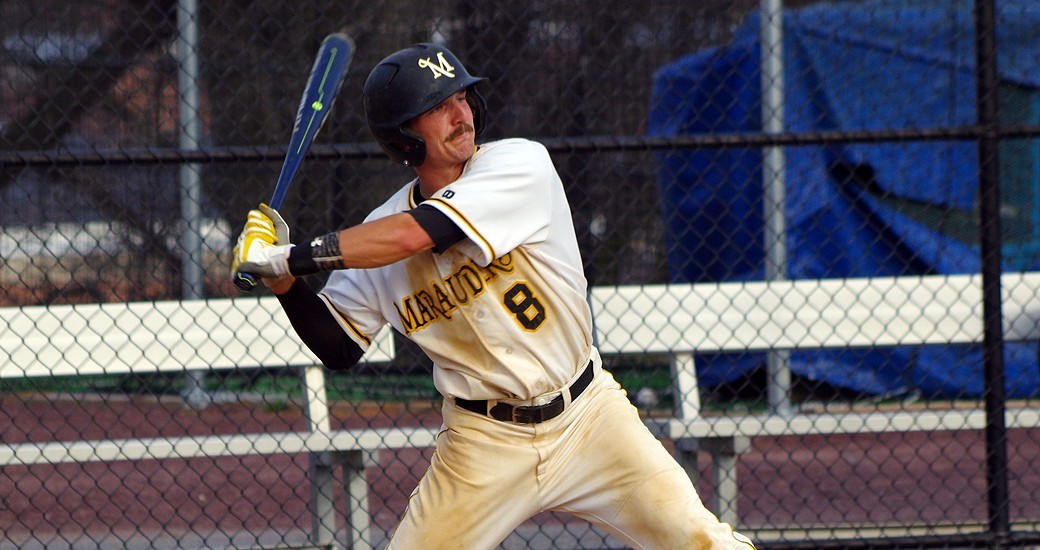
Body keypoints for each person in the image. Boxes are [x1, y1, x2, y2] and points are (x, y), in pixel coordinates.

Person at [232, 43, 755, 550]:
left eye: (462, 97)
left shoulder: (518, 165)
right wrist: (281, 281)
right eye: (437, 108)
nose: (460, 114)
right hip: (482, 440)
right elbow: (338, 346)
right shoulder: (376, 233)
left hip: (589, 418)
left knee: (702, 541)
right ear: (404, 140)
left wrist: (284, 256)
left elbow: (419, 233)